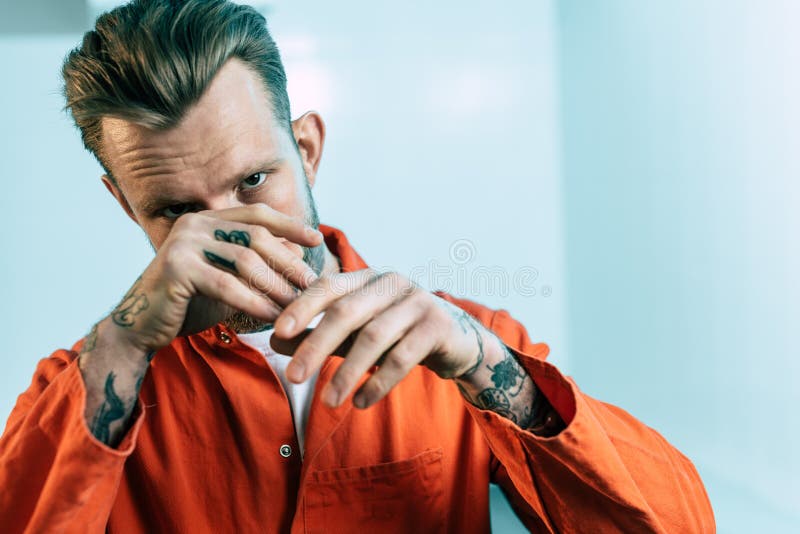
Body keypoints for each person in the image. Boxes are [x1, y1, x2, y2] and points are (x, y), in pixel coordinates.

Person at [0, 1, 715, 532]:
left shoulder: (464, 346)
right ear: (127, 206)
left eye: (254, 182)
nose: (236, 236)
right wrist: (122, 344)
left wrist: (487, 369)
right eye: (178, 212)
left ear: (307, 149)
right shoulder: (86, 390)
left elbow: (676, 523)